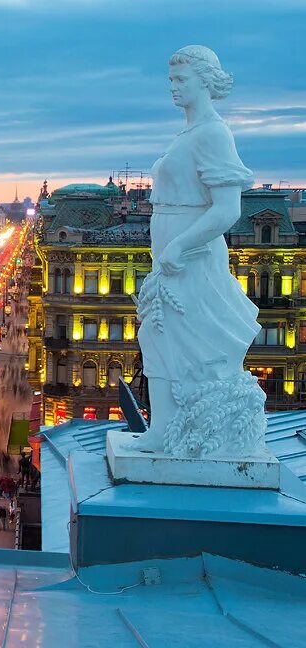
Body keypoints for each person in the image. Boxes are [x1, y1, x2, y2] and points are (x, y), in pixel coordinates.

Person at [133, 45, 265, 457]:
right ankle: (163, 430)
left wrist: (179, 244)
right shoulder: (188, 134)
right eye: (171, 80)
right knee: (157, 334)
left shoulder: (213, 133)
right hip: (172, 253)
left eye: (181, 80)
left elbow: (228, 209)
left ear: (205, 82)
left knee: (186, 342)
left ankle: (185, 432)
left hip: (193, 255)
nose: (173, 87)